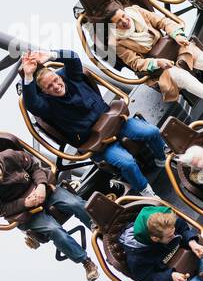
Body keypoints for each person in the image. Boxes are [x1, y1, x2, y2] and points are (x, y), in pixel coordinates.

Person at [20, 49, 165, 195]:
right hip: (98, 142)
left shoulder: (71, 77)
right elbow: (31, 103)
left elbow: (74, 58)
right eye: (50, 87)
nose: (56, 86)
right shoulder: (47, 106)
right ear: (44, 92)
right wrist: (27, 75)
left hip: (115, 122)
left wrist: (52, 55)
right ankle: (145, 190)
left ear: (59, 77)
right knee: (127, 163)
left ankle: (162, 159)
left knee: (152, 132)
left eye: (56, 80)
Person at [0, 149, 100, 281]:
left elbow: (35, 167)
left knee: (75, 203)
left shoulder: (10, 156)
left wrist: (41, 185)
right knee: (53, 230)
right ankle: (86, 262)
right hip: (26, 212)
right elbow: (0, 210)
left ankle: (99, 226)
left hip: (41, 191)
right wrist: (25, 203)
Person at [107, 2, 203, 109]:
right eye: (119, 22)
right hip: (159, 69)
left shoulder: (136, 11)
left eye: (123, 16)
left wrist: (176, 35)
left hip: (173, 48)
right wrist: (157, 62)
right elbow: (135, 63)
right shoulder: (117, 42)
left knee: (196, 57)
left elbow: (163, 22)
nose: (124, 21)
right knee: (183, 77)